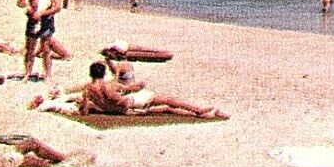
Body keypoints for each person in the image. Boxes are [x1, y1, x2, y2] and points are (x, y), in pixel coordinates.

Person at [78, 61, 225, 119]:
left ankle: (204, 115)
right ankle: (198, 110)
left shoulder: (88, 90)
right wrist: (129, 93)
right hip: (132, 106)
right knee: (169, 101)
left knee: (167, 108)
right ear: (103, 73)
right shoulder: (108, 86)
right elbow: (119, 98)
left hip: (123, 110)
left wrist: (98, 109)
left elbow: (84, 111)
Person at [17, 0, 66, 81]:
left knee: (46, 49)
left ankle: (48, 75)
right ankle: (27, 73)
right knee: (30, 48)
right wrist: (27, 7)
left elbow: (57, 7)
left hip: (46, 21)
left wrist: (42, 13)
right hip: (32, 20)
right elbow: (20, 1)